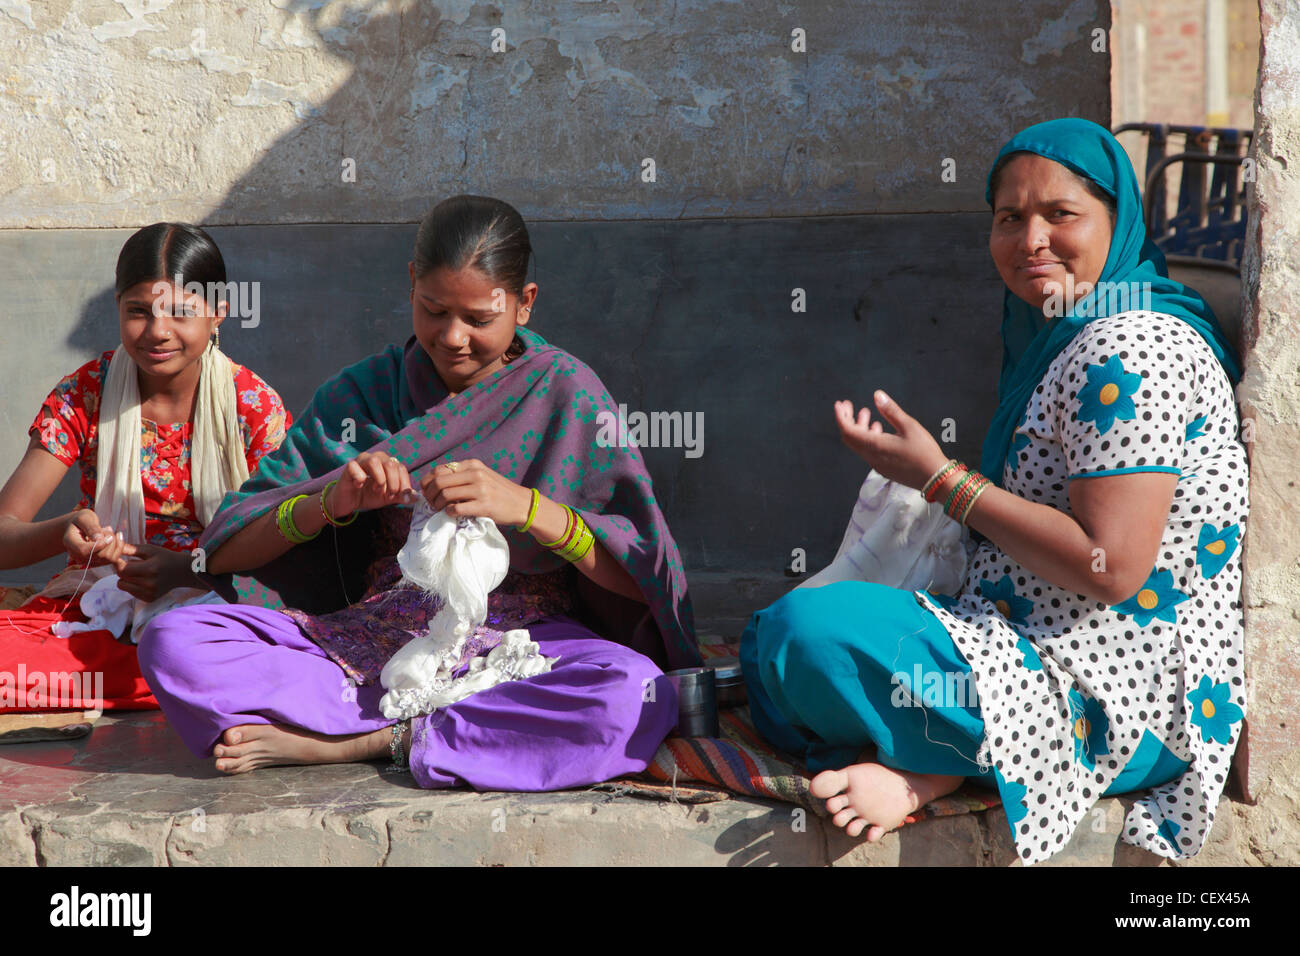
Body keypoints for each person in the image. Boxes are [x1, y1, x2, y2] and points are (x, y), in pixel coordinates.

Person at [740, 119, 1246, 864]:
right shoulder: (1066, 331)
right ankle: (935, 753)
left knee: (806, 640)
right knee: (772, 645)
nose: (1031, 239)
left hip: (1117, 693)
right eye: (1010, 218)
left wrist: (943, 482)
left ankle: (932, 769)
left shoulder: (1129, 347)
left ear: (1117, 220)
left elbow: (1114, 567)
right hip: (1028, 641)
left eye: (1060, 215)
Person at [137, 194, 698, 791]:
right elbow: (227, 549)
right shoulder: (364, 395)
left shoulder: (567, 393)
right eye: (433, 311)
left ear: (524, 304)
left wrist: (528, 509)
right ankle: (452, 730)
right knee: (174, 641)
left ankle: (372, 740)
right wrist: (331, 503)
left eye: (479, 319)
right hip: (373, 644)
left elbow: (642, 571)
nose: (452, 337)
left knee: (632, 694)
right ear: (411, 286)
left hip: (522, 652)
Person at [0, 223, 289, 713]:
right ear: (119, 308)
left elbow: (289, 551)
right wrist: (66, 528)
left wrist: (189, 575)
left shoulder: (252, 405)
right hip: (98, 604)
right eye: (138, 311)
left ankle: (142, 674)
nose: (157, 331)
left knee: (192, 648)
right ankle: (155, 681)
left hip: (209, 610)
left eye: (181, 312)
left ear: (218, 312)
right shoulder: (86, 393)